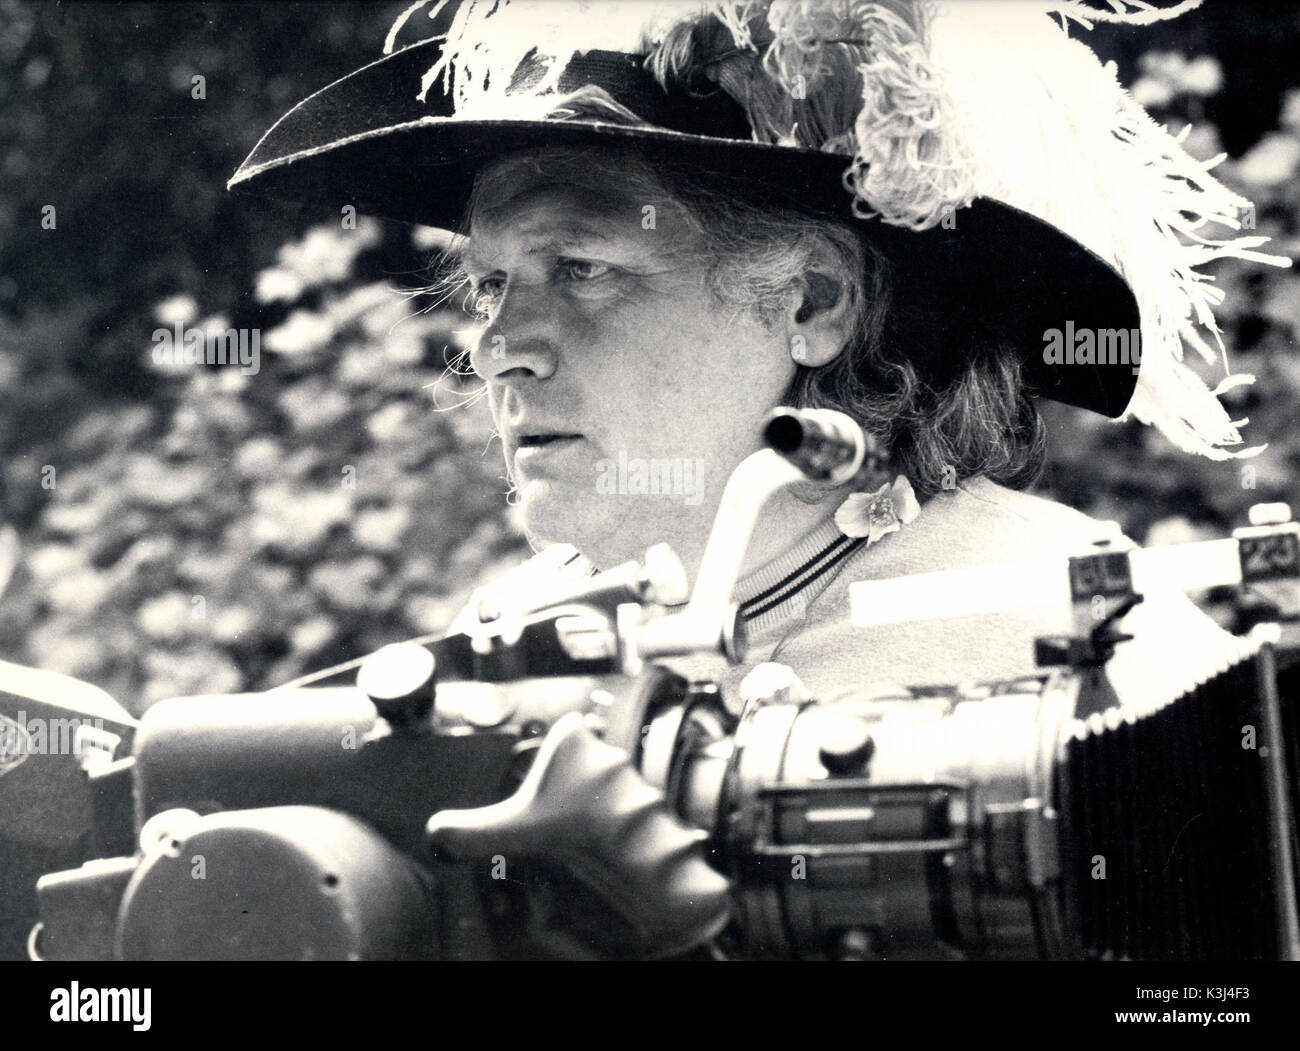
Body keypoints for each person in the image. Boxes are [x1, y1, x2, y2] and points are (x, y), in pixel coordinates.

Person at [230, 0, 1287, 713]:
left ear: (813, 301)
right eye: (492, 285)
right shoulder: (513, 642)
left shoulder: (1082, 632)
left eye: (584, 269)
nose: (498, 349)